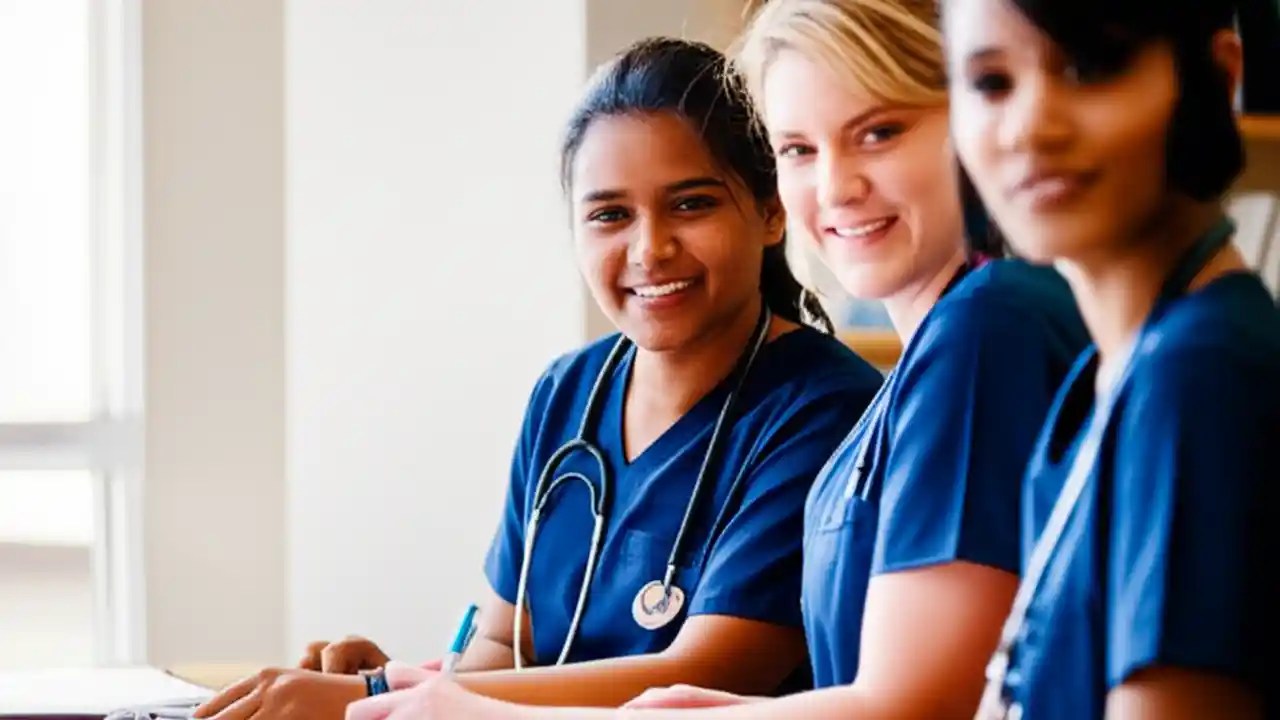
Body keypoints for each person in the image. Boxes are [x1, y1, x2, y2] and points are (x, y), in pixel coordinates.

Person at [343, 2, 1089, 718]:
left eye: (878, 132)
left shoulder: (984, 331)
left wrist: (394, 703)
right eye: (799, 148)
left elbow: (911, 705)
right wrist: (402, 686)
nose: (834, 185)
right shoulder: (943, 349)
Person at [191, 37, 884, 720]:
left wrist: (379, 698)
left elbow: (701, 674)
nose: (649, 248)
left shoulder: (826, 410)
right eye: (610, 215)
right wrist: (393, 686)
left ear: (769, 210)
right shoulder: (568, 394)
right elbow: (504, 642)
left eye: (690, 204)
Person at [943, 0, 1280, 717]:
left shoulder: (1202, 375)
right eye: (991, 83)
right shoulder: (1100, 380)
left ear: (1214, 81)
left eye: (1091, 68)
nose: (1030, 126)